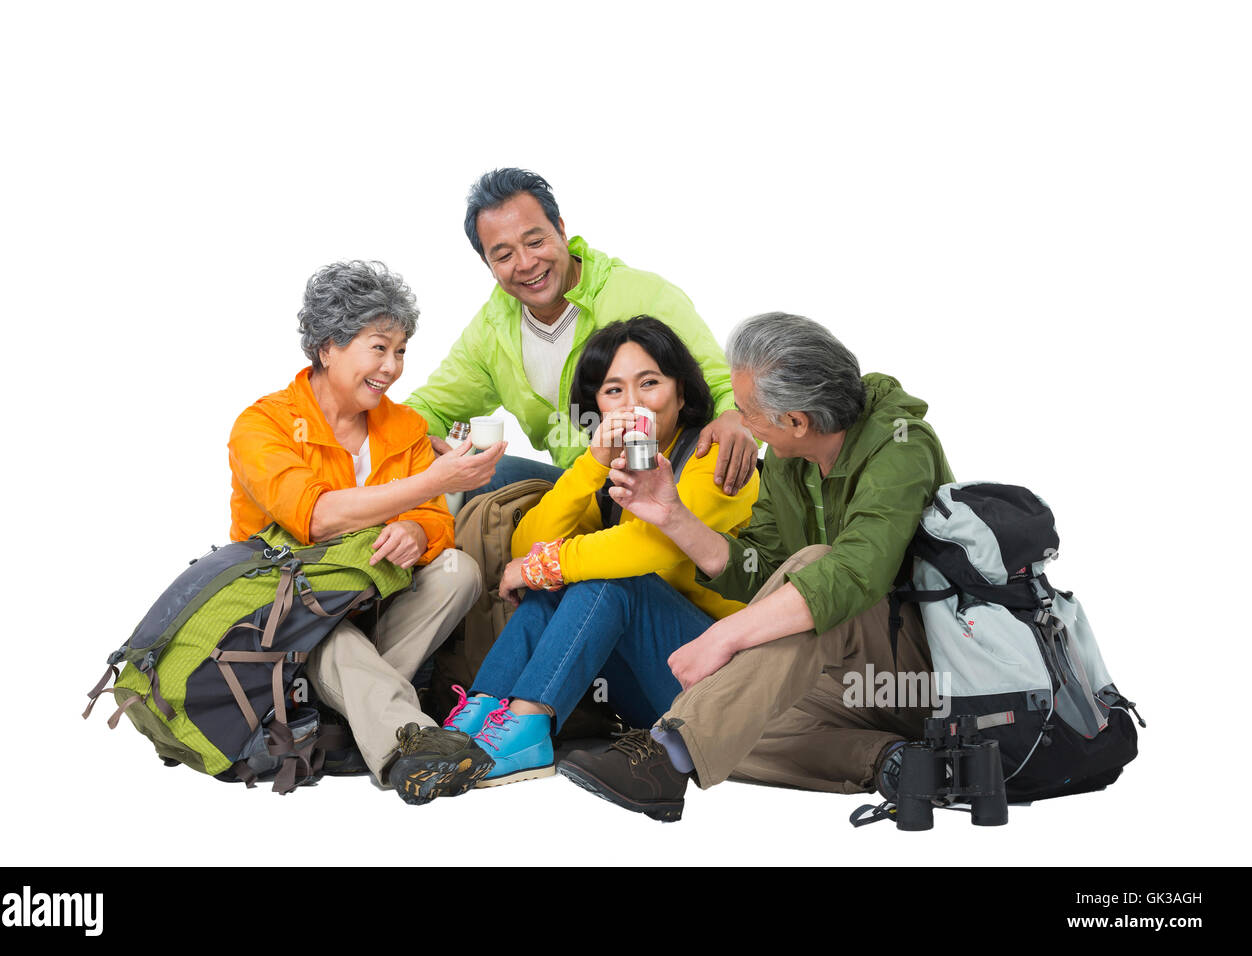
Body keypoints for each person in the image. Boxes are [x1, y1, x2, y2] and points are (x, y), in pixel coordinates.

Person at [556, 313, 954, 821]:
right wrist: (674, 518)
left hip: (920, 670)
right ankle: (891, 760)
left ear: (797, 421)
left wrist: (724, 637)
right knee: (727, 732)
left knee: (817, 565)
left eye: (747, 412)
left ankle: (667, 762)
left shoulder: (900, 445)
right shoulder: (792, 459)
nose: (738, 423)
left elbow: (853, 575)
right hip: (844, 679)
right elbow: (758, 566)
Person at [403, 316, 760, 790]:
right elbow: (529, 543)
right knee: (571, 573)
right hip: (647, 692)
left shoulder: (713, 455)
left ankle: (529, 727)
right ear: (595, 404)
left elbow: (647, 548)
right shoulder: (610, 465)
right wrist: (590, 465)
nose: (632, 403)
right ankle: (479, 715)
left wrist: (537, 568)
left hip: (718, 684)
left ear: (682, 392)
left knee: (611, 576)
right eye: (613, 391)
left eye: (649, 383)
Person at [227, 260, 502, 802]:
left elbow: (437, 523)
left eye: (400, 351)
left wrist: (418, 533)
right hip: (287, 610)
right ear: (328, 347)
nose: (393, 367)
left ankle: (349, 712)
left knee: (458, 569)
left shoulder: (405, 426)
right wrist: (433, 480)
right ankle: (410, 744)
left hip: (371, 600)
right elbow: (317, 516)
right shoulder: (263, 425)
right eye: (379, 348)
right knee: (326, 629)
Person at [404, 168, 759, 502]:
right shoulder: (490, 331)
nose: (526, 263)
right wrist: (419, 449)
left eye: (535, 241)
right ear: (487, 264)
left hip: (665, 478)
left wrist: (733, 416)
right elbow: (429, 407)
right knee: (478, 478)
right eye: (504, 254)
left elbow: (725, 387)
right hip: (580, 488)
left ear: (560, 229)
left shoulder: (644, 295)